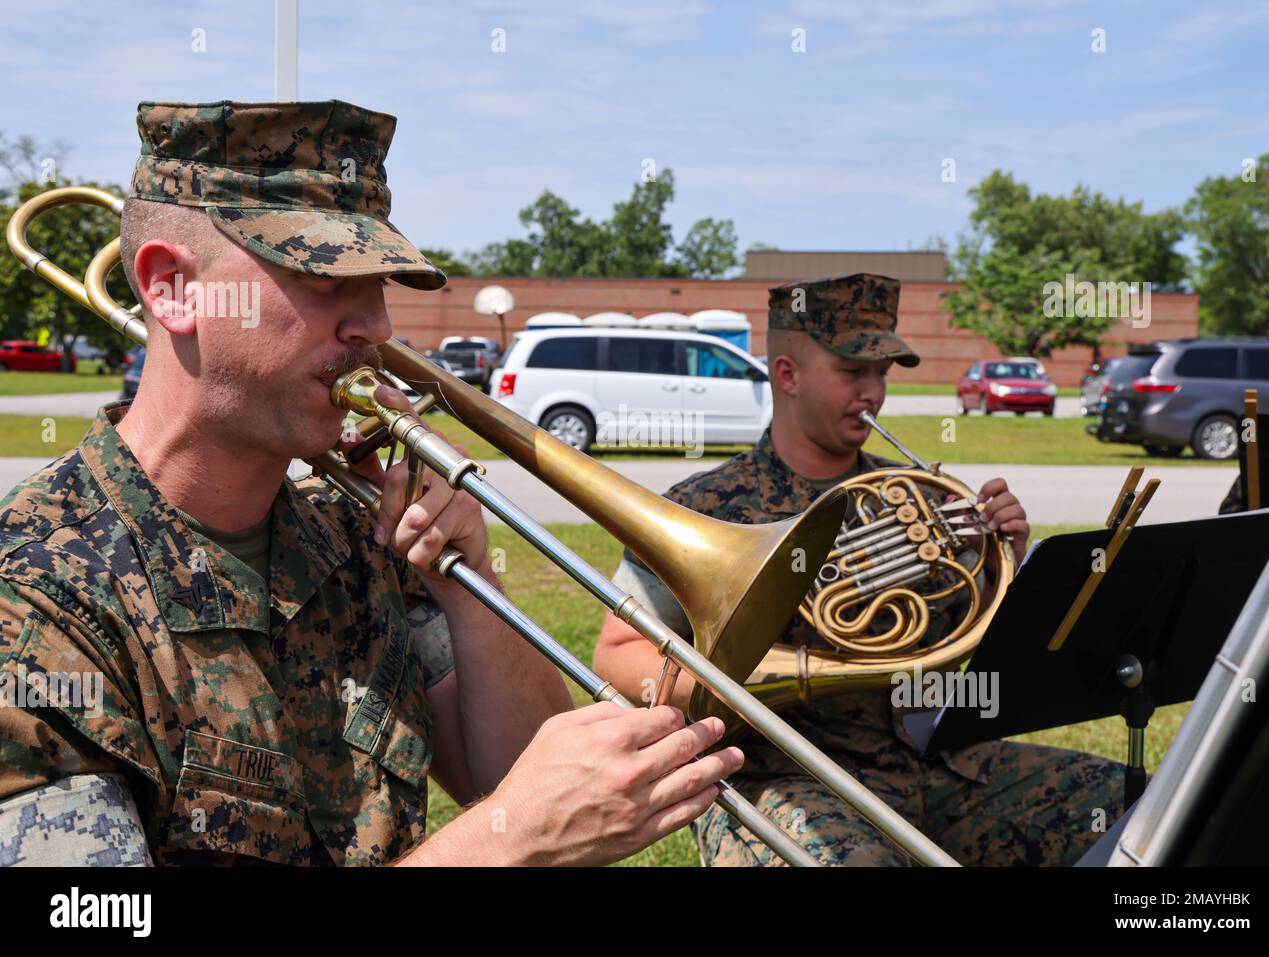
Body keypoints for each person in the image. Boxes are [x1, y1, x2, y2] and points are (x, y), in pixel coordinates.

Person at [0, 100, 740, 867]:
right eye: (322, 276)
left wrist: (468, 577)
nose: (378, 326)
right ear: (172, 288)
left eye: (380, 280)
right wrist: (502, 843)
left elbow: (525, 773)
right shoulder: (33, 595)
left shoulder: (355, 538)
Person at [593, 273, 1126, 866]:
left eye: (882, 374)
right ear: (787, 375)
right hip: (785, 778)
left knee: (1139, 805)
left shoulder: (918, 497)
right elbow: (619, 650)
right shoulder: (704, 506)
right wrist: (743, 690)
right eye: (852, 372)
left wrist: (1003, 561)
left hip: (936, 767)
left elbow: (968, 645)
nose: (872, 392)